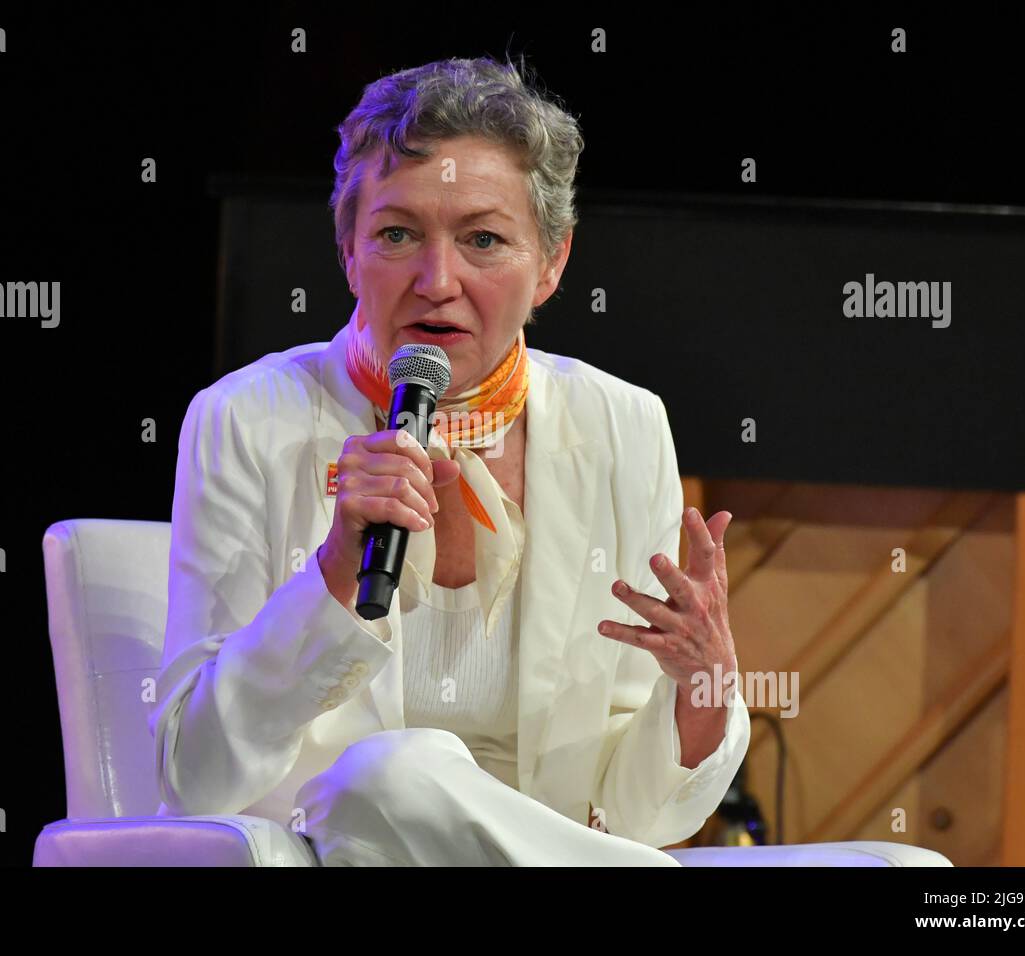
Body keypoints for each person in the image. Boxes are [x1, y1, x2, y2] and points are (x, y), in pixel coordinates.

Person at [149, 55, 750, 865]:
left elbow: (638, 811)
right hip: (337, 854)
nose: (438, 280)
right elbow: (194, 775)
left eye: (485, 240)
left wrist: (703, 685)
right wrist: (330, 576)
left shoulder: (623, 425)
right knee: (393, 777)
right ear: (348, 249)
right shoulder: (245, 420)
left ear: (552, 264)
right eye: (397, 234)